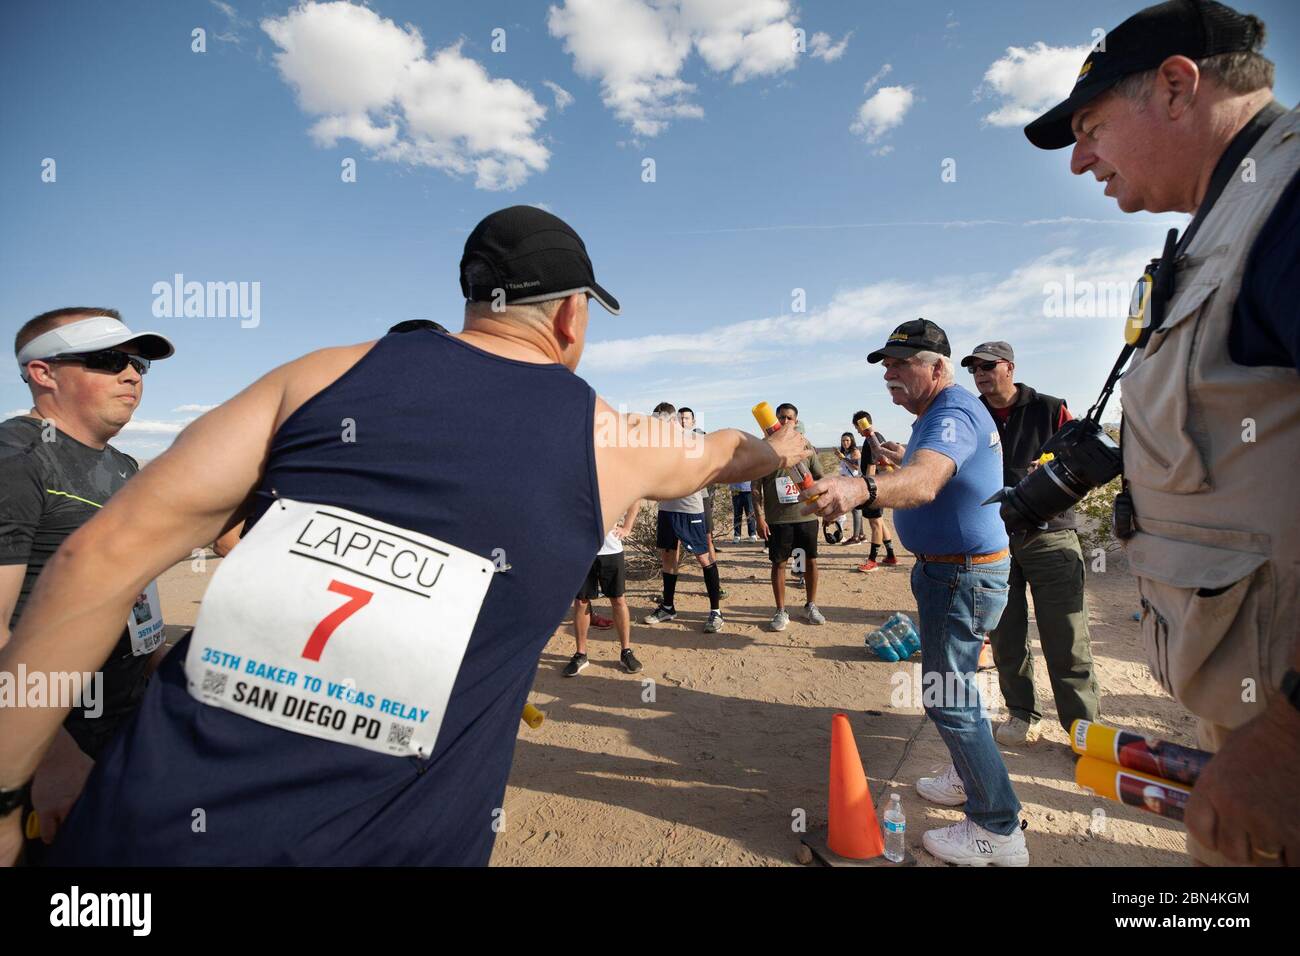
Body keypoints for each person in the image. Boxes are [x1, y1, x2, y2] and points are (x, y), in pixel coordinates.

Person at [0, 205, 813, 866]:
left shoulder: (314, 376)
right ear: (572, 315)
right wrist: (779, 450)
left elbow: (96, 556)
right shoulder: (612, 436)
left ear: (472, 298)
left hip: (150, 827)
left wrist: (7, 798)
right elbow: (718, 458)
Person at [1025, 0, 1299, 866]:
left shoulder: (1289, 209)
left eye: (1092, 127)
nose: (1079, 161)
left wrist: (1289, 738)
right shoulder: (1228, 226)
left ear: (1178, 88)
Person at [802, 319, 1027, 865]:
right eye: (887, 365)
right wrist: (901, 462)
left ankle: (997, 830)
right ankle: (966, 773)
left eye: (904, 364)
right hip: (957, 571)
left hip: (959, 575)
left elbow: (927, 482)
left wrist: (860, 487)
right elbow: (938, 474)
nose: (891, 374)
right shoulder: (940, 415)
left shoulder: (950, 412)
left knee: (946, 697)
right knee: (959, 691)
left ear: (939, 368)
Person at [0, 308, 174, 848]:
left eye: (138, 362)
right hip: (47, 743)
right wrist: (49, 754)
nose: (132, 375)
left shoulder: (123, 465)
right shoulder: (16, 458)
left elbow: (131, 587)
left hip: (124, 722)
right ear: (42, 373)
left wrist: (163, 664)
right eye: (107, 360)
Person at [963, 341, 1099, 746]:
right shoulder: (971, 414)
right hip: (994, 539)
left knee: (1067, 638)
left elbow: (1085, 461)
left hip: (1050, 535)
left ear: (1010, 367)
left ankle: (1083, 732)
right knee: (1006, 634)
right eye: (974, 368)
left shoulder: (1050, 407)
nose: (981, 374)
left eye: (989, 366)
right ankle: (1022, 713)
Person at [644, 403, 726, 633]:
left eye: (659, 423)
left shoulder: (691, 441)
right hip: (667, 508)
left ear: (671, 421)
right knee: (668, 557)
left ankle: (716, 611)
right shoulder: (657, 445)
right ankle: (668, 607)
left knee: (703, 558)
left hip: (690, 509)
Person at [751, 404, 826, 631]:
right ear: (774, 419)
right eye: (781, 417)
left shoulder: (805, 444)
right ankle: (780, 610)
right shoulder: (764, 447)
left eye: (789, 418)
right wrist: (759, 518)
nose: (785, 422)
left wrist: (824, 507)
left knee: (810, 561)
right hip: (778, 518)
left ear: (796, 420)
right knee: (779, 564)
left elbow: (820, 477)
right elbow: (756, 487)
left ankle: (811, 605)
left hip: (805, 516)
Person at [564, 500, 642, 677]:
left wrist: (627, 527)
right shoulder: (579, 475)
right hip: (582, 549)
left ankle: (626, 652)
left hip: (611, 549)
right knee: (581, 601)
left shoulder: (615, 474)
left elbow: (635, 498)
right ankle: (581, 654)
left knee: (618, 599)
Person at [851, 411, 898, 571]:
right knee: (880, 521)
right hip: (881, 486)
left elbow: (872, 467)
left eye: (857, 427)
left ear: (861, 424)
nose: (857, 431)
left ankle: (872, 561)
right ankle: (891, 555)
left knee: (875, 523)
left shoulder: (871, 440)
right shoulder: (879, 437)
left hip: (874, 488)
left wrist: (867, 491)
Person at [834, 432, 865, 544]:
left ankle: (856, 537)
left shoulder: (854, 451)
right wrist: (841, 457)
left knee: (855, 509)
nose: (845, 442)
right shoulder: (845, 452)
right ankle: (861, 535)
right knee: (855, 509)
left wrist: (844, 458)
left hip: (853, 483)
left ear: (852, 441)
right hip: (845, 483)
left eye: (847, 440)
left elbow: (856, 466)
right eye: (843, 441)